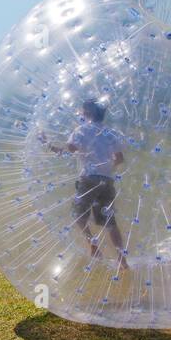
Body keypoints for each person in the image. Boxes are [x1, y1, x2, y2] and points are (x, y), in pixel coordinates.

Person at [42, 99, 130, 269]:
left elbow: (65, 151)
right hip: (107, 180)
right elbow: (119, 159)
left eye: (82, 110)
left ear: (88, 112)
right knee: (110, 222)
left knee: (78, 215)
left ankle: (93, 244)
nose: (80, 113)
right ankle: (122, 259)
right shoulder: (110, 133)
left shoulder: (81, 131)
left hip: (88, 178)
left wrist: (46, 143)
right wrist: (105, 168)